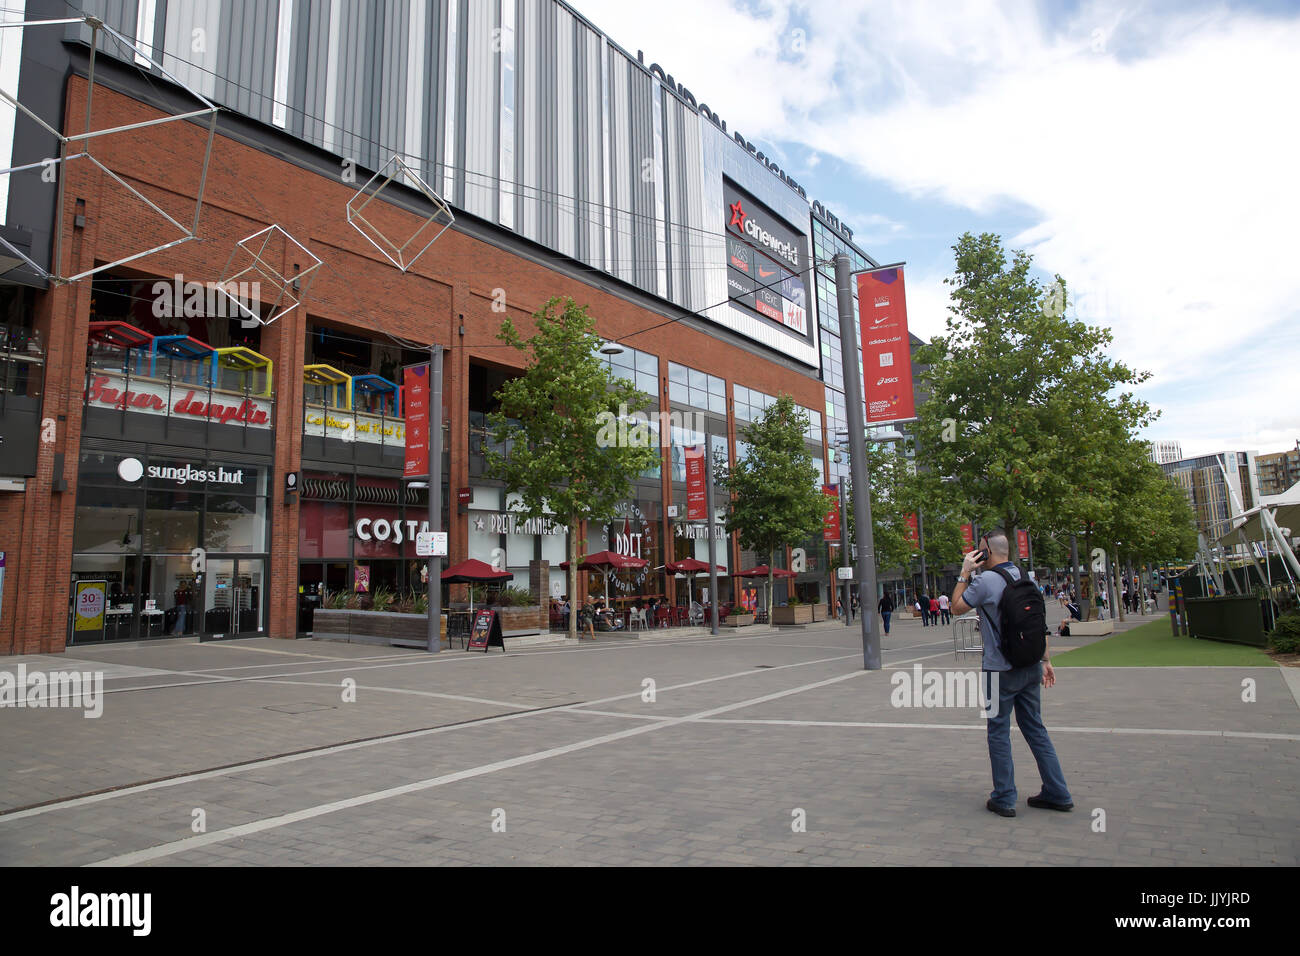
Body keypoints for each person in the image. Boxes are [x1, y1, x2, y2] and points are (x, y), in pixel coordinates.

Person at [950, 530, 1073, 818]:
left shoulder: (984, 581)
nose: (977, 556)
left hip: (999, 671)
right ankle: (1058, 792)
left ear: (988, 553)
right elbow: (1037, 620)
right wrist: (1046, 660)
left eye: (979, 551)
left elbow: (956, 608)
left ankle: (1004, 797)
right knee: (1035, 728)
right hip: (1030, 665)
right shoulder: (1024, 576)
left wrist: (964, 572)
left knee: (998, 732)